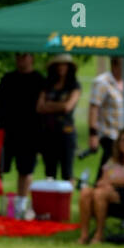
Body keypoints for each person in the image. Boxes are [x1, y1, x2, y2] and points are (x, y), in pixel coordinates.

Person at [0, 52, 46, 207]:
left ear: (32, 58)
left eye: (25, 56)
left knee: (26, 169)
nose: (21, 59)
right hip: (5, 131)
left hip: (29, 133)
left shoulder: (39, 80)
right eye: (18, 56)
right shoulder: (7, 78)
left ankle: (21, 205)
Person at [77, 126, 124, 244]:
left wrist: (111, 182)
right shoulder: (113, 160)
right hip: (108, 191)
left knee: (100, 193)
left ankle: (99, 234)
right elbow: (103, 179)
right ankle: (84, 235)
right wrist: (108, 183)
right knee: (86, 192)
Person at [36, 53, 81, 183]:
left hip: (66, 132)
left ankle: (65, 200)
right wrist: (59, 106)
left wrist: (49, 105)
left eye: (64, 65)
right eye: (59, 65)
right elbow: (39, 107)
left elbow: (68, 106)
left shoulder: (74, 85)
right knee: (50, 171)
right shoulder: (48, 84)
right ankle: (51, 198)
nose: (61, 68)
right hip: (48, 132)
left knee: (67, 171)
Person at [88, 56, 124, 169]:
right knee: (108, 166)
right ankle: (99, 185)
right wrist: (93, 134)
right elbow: (94, 108)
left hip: (123, 134)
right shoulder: (103, 82)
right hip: (109, 134)